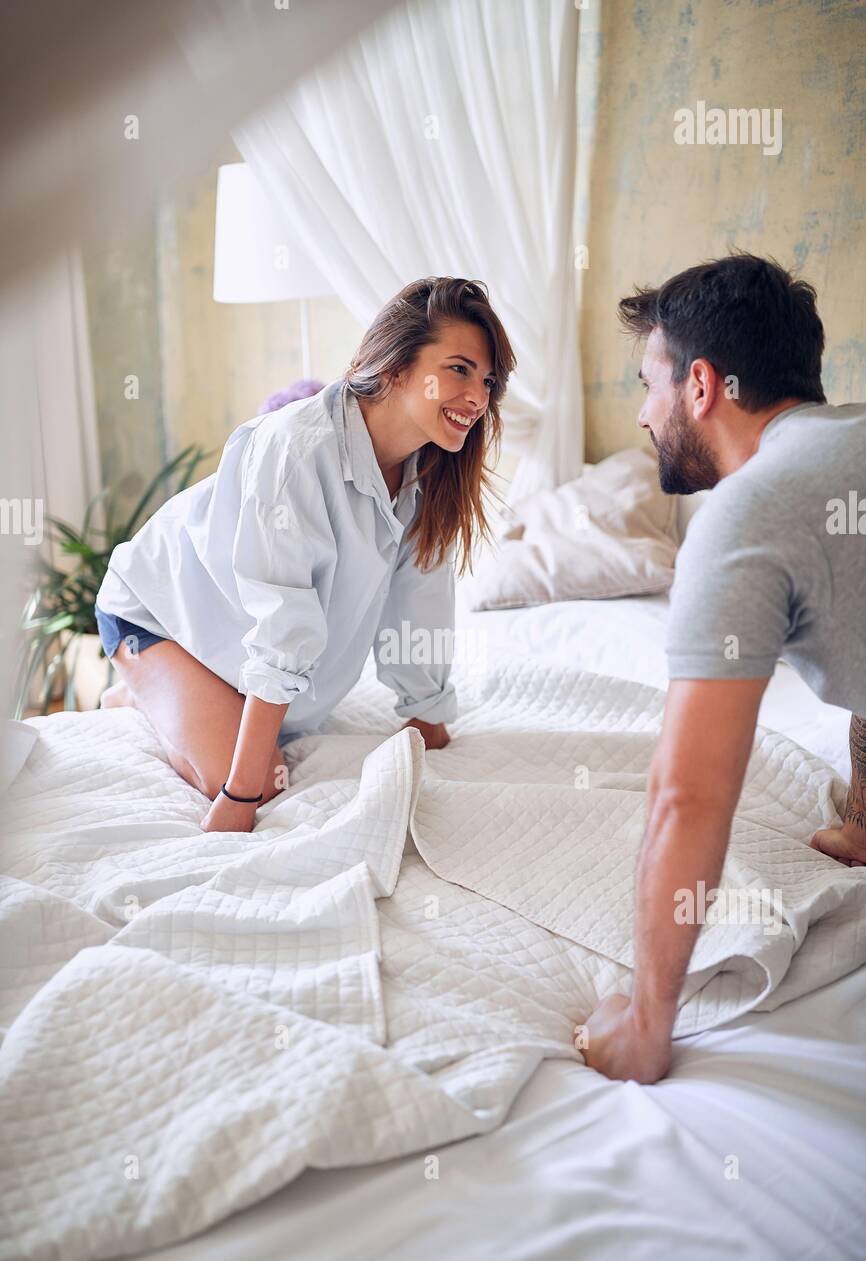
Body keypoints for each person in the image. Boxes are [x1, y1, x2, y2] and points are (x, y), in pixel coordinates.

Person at [580, 251, 866, 1083]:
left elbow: (690, 794)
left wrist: (644, 1023)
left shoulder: (750, 509)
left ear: (701, 386)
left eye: (648, 383)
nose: (642, 416)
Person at [95, 276, 515, 832]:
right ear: (395, 364)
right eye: (459, 369)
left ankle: (187, 696)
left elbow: (420, 603)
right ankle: (136, 688)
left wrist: (428, 717)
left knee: (286, 727)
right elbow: (283, 624)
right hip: (160, 614)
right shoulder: (297, 450)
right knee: (265, 779)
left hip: (238, 638)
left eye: (487, 381)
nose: (477, 397)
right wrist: (239, 798)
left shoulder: (431, 468)